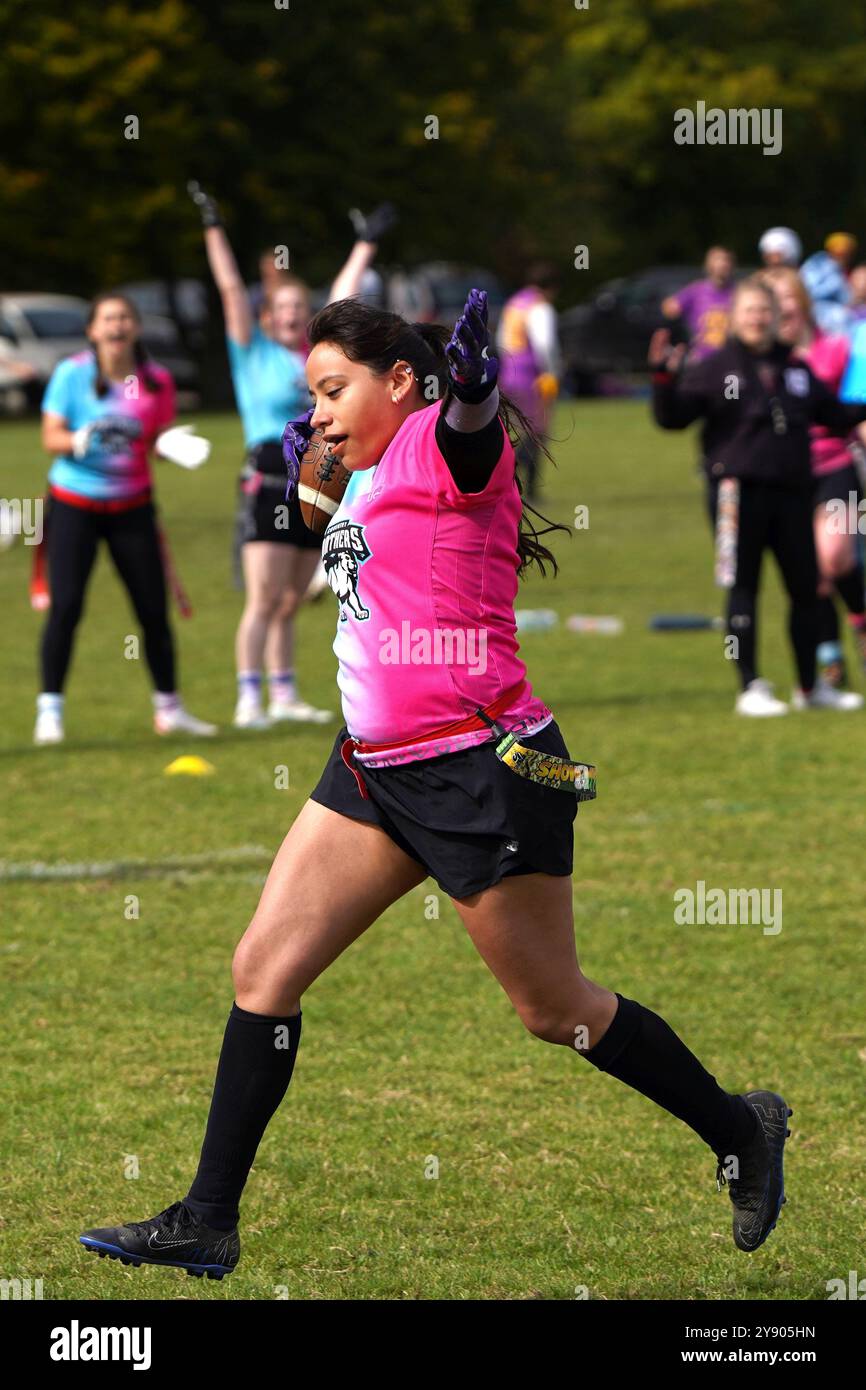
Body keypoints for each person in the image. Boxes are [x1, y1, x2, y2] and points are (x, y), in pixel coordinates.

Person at [80, 290, 792, 1279]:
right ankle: (207, 1217)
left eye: (334, 389)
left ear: (402, 382)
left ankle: (739, 1129)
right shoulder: (367, 466)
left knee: (554, 1010)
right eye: (311, 394)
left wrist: (470, 392)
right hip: (371, 769)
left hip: (480, 769)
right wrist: (311, 471)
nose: (319, 408)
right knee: (262, 972)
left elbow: (466, 438)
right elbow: (330, 518)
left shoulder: (442, 444)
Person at [190, 185, 396, 727]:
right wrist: (214, 225)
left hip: (318, 476)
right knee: (262, 598)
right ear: (267, 315)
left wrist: (366, 244)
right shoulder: (251, 352)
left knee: (291, 600)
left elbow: (345, 295)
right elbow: (232, 289)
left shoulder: (316, 358)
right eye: (281, 308)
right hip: (267, 476)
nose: (290, 315)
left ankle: (284, 695)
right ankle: (248, 699)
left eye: (298, 309)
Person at [650, 277, 866, 716]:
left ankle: (811, 687)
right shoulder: (714, 367)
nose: (758, 318)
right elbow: (672, 419)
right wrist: (663, 380)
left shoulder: (795, 369)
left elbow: (839, 415)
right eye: (750, 310)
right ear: (734, 316)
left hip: (793, 492)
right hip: (735, 495)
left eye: (765, 310)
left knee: (806, 588)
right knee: (743, 586)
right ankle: (750, 686)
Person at [36, 292, 216, 746]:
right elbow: (49, 436)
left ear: (134, 328)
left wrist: (170, 447)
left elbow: (155, 436)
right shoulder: (72, 374)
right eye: (108, 319)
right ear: (93, 330)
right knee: (67, 606)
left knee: (153, 609)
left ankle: (169, 709)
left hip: (132, 506)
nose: (117, 327)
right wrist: (76, 438)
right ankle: (50, 710)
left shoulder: (155, 381)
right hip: (74, 505)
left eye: (124, 319)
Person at [763, 266, 866, 693]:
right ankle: (830, 657)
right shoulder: (762, 363)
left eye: (788, 297)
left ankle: (859, 619)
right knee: (812, 575)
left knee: (834, 557)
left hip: (837, 465)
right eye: (774, 299)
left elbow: (855, 411)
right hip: (785, 475)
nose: (783, 306)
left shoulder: (838, 350)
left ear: (803, 302)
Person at [496, 261, 562, 503]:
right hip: (534, 378)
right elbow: (545, 344)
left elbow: (501, 338)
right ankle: (529, 489)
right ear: (552, 288)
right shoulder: (540, 308)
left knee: (514, 431)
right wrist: (554, 372)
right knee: (538, 433)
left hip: (509, 374)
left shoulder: (515, 303)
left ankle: (511, 482)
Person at [661, 245, 736, 362]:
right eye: (717, 260)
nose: (722, 264)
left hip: (731, 358)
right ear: (708, 265)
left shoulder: (739, 293)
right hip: (701, 359)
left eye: (726, 260)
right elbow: (669, 308)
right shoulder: (696, 291)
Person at [800, 233, 858, 336]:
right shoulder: (818, 270)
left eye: (845, 253)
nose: (841, 257)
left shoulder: (851, 274)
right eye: (837, 253)